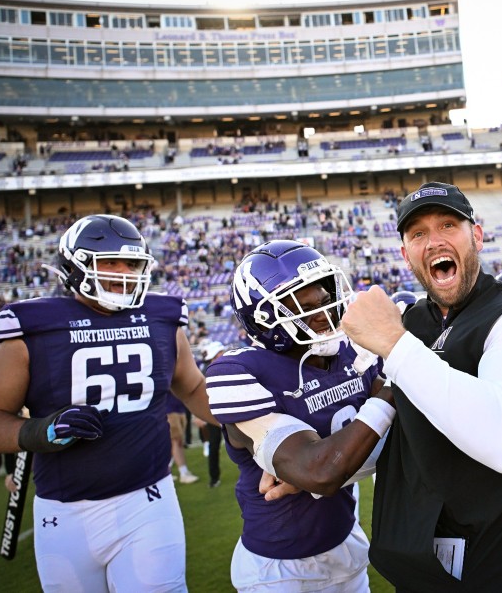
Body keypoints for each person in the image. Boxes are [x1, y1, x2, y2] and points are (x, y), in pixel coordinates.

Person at [341, 181, 502, 591]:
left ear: (477, 236)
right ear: (405, 254)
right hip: (419, 564)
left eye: (448, 225)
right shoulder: (412, 322)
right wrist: (321, 469)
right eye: (418, 234)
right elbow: (399, 429)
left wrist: (395, 345)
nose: (433, 241)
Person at [0, 213, 216, 591]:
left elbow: (193, 388)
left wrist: (254, 422)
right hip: (64, 510)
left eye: (132, 263)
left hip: (149, 499)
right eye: (109, 263)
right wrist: (42, 431)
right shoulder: (34, 327)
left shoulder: (163, 318)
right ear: (75, 268)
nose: (123, 273)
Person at [205, 240, 394, 592]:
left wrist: (334, 467)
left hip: (346, 543)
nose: (325, 312)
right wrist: (392, 389)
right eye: (304, 307)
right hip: (280, 567)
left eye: (324, 299)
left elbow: (402, 442)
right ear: (264, 318)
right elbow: (319, 470)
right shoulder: (238, 371)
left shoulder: (350, 354)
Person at [197, 339, 227, 487]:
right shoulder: (204, 373)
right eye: (219, 353)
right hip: (212, 413)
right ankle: (214, 478)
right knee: (213, 446)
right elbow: (198, 395)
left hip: (230, 410)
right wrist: (199, 415)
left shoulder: (228, 367)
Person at [166, 394, 200, 484]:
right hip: (169, 409)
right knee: (176, 441)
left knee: (175, 442)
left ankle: (166, 471)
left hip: (178, 408)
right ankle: (183, 473)